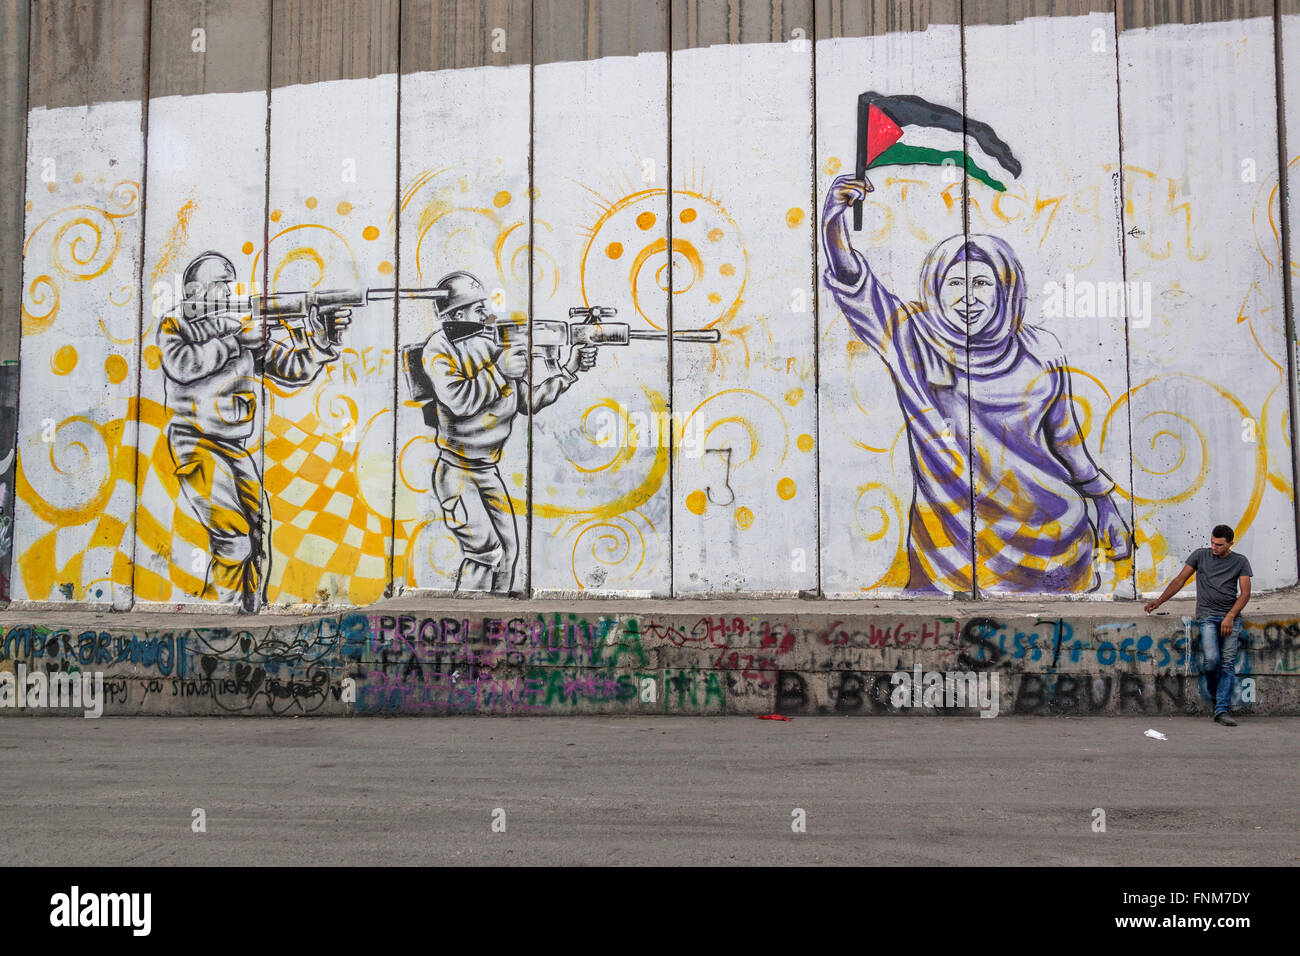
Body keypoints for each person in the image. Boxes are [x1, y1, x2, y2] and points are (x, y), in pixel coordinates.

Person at [820, 175, 1132, 594]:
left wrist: (1105, 503)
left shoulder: (1040, 349)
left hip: (1055, 543)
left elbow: (1066, 439)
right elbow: (856, 283)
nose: (969, 298)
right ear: (935, 288)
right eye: (956, 283)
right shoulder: (912, 338)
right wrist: (832, 222)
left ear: (1006, 290)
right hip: (950, 549)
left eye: (982, 283)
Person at [158, 251, 347, 611]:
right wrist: (237, 342)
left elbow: (289, 368)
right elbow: (181, 365)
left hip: (233, 446)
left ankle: (251, 610)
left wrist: (321, 344)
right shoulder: (175, 325)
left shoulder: (239, 326)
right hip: (194, 441)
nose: (230, 293)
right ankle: (224, 611)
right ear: (195, 291)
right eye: (221, 286)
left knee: (259, 532)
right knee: (232, 537)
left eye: (230, 286)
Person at [421, 272, 596, 592]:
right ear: (457, 315)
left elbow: (527, 401)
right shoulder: (439, 348)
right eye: (477, 309)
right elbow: (460, 400)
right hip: (457, 471)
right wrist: (500, 369)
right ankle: (464, 623)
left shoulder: (494, 344)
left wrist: (569, 371)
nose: (486, 314)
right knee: (486, 553)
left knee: (508, 553)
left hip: (486, 470)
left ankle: (493, 621)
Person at [1144, 524, 1253, 725]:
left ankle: (1221, 709)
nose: (1214, 547)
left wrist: (1230, 616)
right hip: (1207, 616)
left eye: (1219, 545)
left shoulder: (1240, 561)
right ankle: (1215, 694)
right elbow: (1179, 580)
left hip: (1230, 617)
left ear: (1230, 543)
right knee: (1211, 660)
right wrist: (1158, 602)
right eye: (1212, 542)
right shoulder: (1200, 556)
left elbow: (1245, 593)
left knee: (1227, 664)